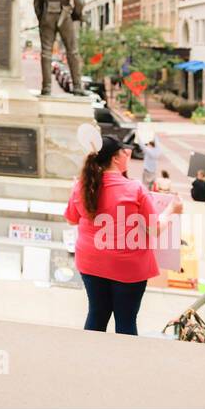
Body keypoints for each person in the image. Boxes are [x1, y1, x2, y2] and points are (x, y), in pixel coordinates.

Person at [65, 134, 183, 335]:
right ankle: (125, 365)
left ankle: (88, 361)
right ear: (115, 158)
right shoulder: (134, 188)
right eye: (124, 151)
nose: (127, 154)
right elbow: (154, 229)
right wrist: (172, 210)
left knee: (96, 313)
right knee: (126, 319)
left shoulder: (82, 186)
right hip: (128, 266)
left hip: (91, 261)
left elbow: (72, 219)